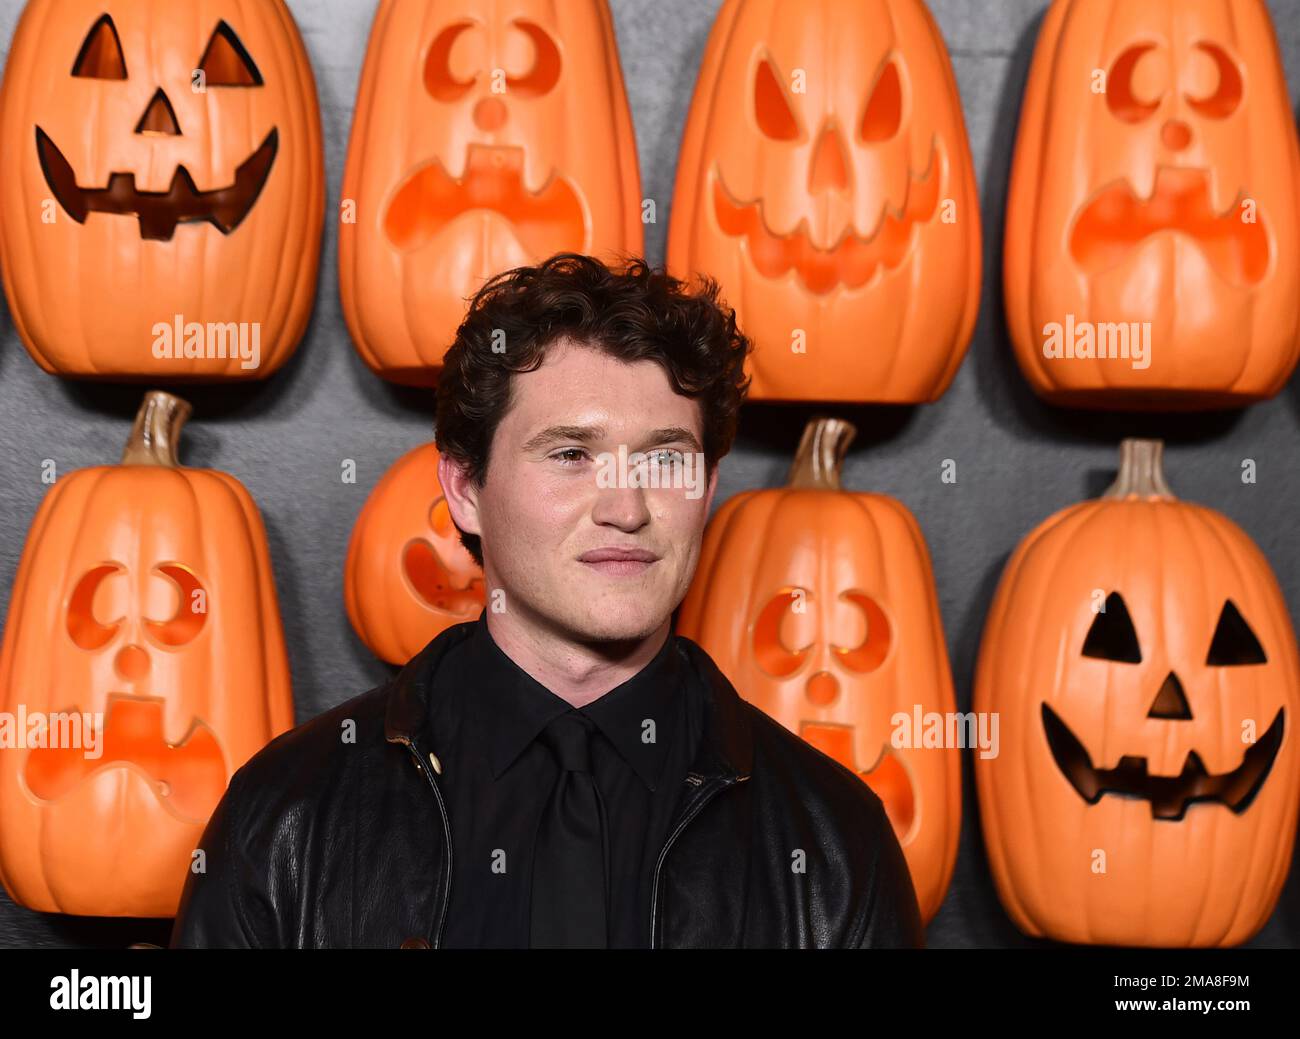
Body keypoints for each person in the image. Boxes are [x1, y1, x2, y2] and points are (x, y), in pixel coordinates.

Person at [169, 252, 924, 948]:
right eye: (571, 454)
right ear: (465, 489)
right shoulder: (288, 816)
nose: (626, 506)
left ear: (708, 488)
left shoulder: (834, 842)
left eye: (666, 459)